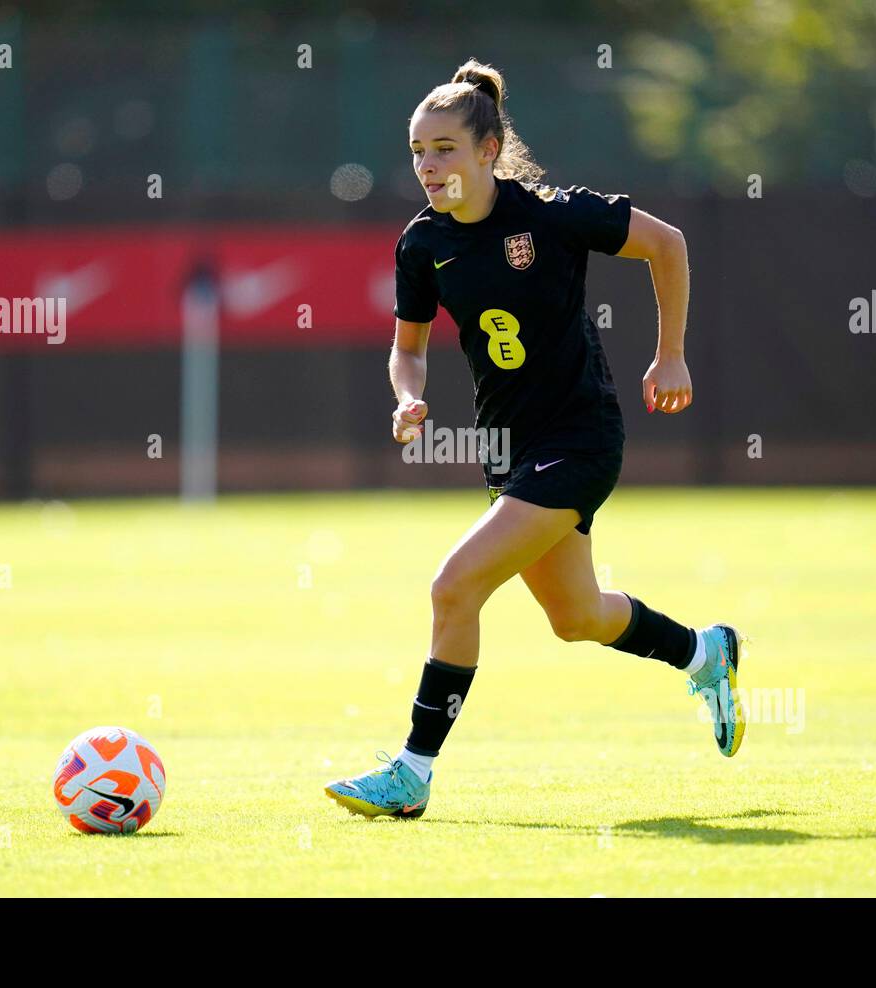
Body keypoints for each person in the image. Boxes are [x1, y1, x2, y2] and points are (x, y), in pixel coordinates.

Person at [325, 59, 744, 820]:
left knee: (454, 586)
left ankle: (412, 773)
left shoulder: (548, 214)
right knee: (576, 617)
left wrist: (671, 351)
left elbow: (669, 244)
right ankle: (704, 652)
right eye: (418, 150)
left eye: (445, 147)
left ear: (488, 150)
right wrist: (408, 397)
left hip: (579, 437)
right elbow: (408, 347)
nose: (428, 165)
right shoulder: (422, 245)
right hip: (507, 448)